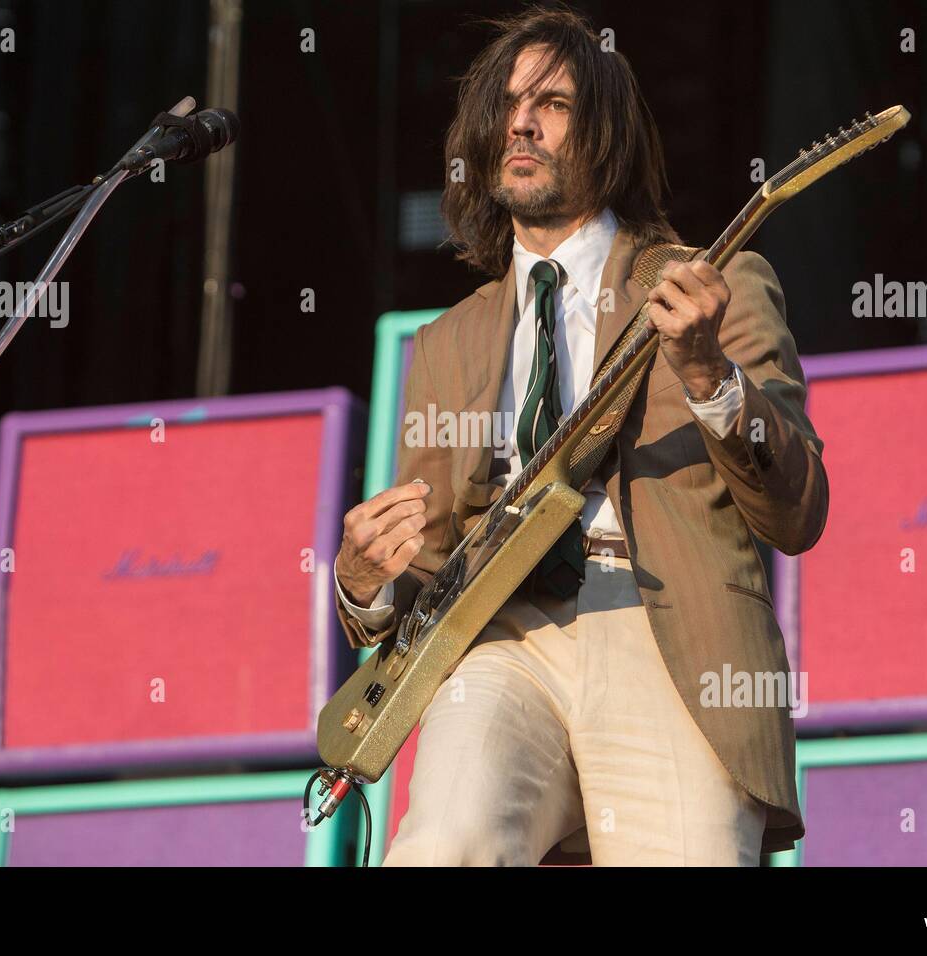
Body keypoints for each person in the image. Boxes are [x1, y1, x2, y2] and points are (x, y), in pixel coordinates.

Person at [333, 5, 828, 866]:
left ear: (606, 133)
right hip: (501, 643)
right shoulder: (448, 341)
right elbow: (425, 560)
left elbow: (798, 510)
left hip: (666, 636)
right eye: (508, 106)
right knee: (441, 847)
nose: (520, 121)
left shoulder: (717, 282)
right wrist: (364, 582)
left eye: (553, 103)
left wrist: (709, 372)